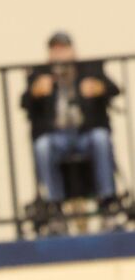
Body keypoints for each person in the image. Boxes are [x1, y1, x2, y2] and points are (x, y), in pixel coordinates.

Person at [19, 31, 121, 220]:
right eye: (55, 49)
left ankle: (108, 199)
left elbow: (114, 89)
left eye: (63, 48)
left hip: (85, 133)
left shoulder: (90, 69)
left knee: (100, 138)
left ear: (72, 50)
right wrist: (36, 92)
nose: (60, 54)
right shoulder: (40, 73)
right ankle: (53, 202)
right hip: (57, 136)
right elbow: (23, 102)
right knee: (42, 146)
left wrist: (99, 88)